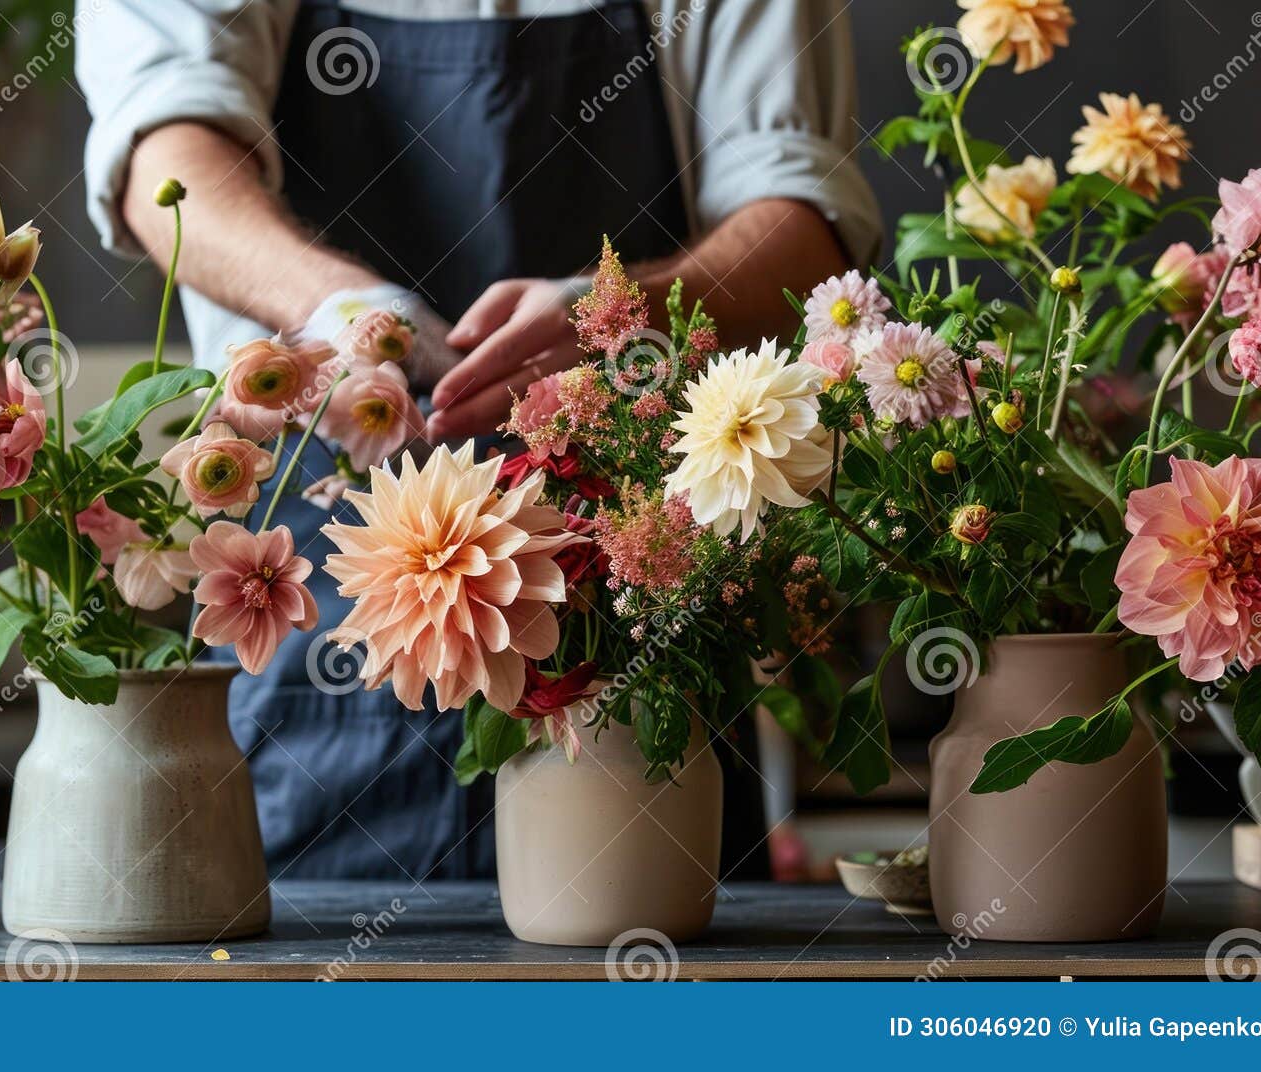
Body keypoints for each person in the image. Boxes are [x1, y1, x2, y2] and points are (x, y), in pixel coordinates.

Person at [77, 0, 880, 882]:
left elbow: (803, 213)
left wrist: (623, 311)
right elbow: (163, 148)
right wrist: (341, 312)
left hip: (636, 579)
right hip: (317, 567)